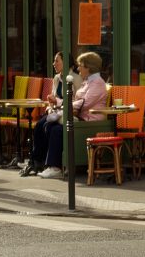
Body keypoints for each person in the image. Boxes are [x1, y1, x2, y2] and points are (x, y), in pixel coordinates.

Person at [26, 51, 108, 180]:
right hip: (81, 118)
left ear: (88, 67)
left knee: (57, 130)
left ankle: (55, 167)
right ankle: (48, 164)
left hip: (90, 122)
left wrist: (63, 106)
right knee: (50, 126)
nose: (78, 67)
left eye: (80, 65)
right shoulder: (88, 81)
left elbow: (84, 103)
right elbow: (77, 101)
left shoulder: (97, 82)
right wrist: (63, 105)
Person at [21, 52, 70, 177]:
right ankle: (36, 161)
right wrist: (50, 107)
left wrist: (56, 103)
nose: (54, 64)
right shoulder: (56, 78)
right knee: (39, 126)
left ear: (66, 62)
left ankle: (39, 161)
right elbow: (52, 98)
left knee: (46, 126)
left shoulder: (72, 78)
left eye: (57, 61)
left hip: (64, 113)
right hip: (55, 112)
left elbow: (73, 101)